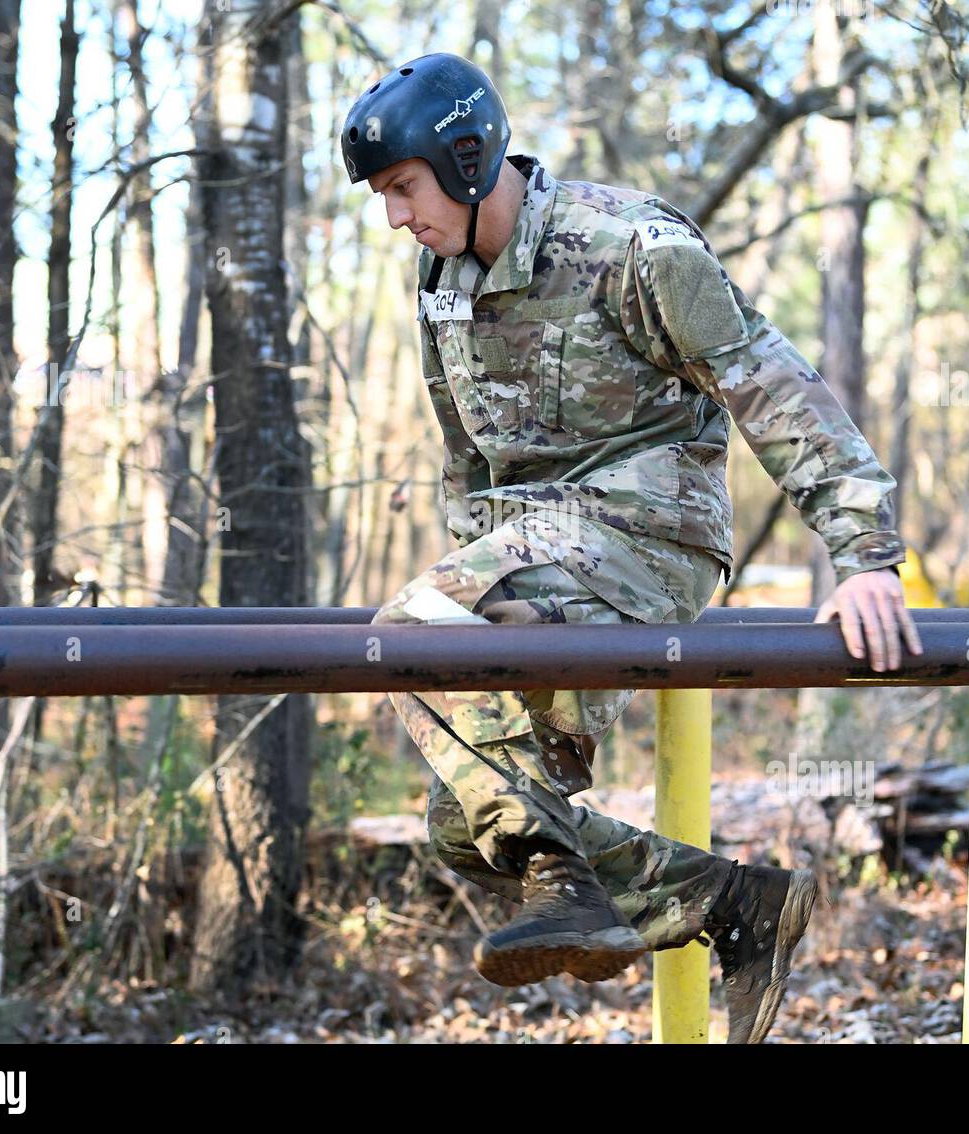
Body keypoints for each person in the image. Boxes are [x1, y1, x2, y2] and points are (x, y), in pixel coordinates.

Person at [340, 52, 922, 1043]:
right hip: (530, 559)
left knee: (410, 633)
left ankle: (579, 880)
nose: (394, 215)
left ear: (466, 157)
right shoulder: (438, 279)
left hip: (651, 530)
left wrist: (864, 555)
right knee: (470, 825)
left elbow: (769, 385)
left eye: (402, 187)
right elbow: (464, 455)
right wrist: (477, 605)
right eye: (383, 196)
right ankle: (730, 904)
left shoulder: (631, 246)